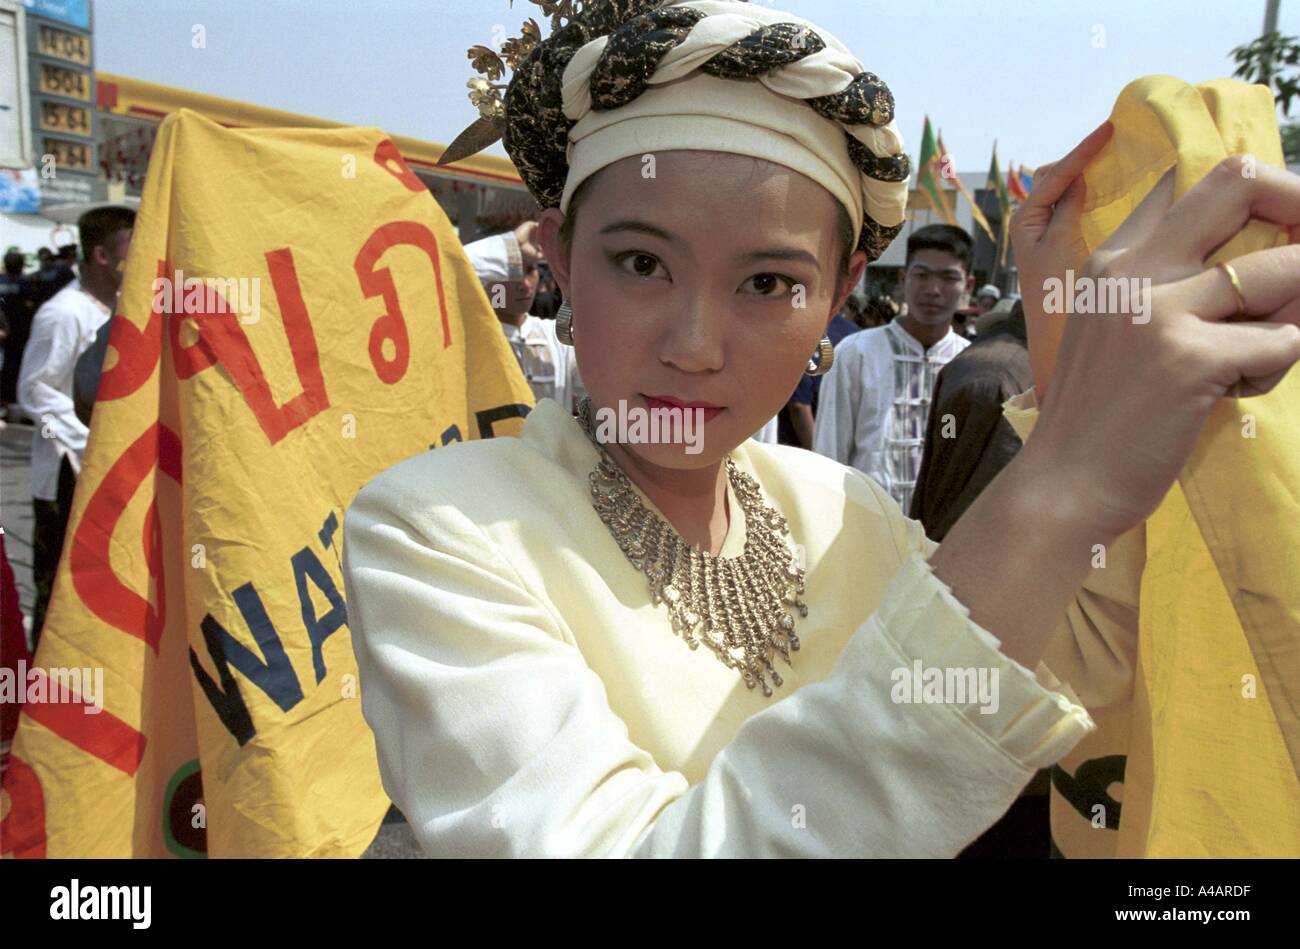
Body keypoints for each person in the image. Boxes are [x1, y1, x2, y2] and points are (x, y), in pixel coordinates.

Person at [342, 0, 1300, 858]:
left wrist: (1059, 350)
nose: (695, 345)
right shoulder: (440, 528)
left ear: (837, 298)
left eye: (768, 284)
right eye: (641, 262)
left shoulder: (844, 509)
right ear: (557, 255)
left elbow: (1079, 667)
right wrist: (1060, 480)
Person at [17, 206, 134, 649]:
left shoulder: (121, 306)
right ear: (102, 256)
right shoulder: (64, 313)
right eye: (130, 247)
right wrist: (94, 444)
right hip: (69, 472)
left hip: (109, 473)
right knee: (60, 588)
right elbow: (37, 389)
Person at [813, 224, 973, 512]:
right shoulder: (857, 353)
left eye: (949, 278)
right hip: (865, 527)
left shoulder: (970, 363)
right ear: (903, 279)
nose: (933, 290)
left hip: (944, 535)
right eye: (922, 275)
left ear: (968, 286)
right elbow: (829, 452)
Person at [463, 219, 582, 413]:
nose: (524, 284)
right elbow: (449, 272)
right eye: (511, 271)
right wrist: (511, 244)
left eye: (529, 270)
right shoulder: (467, 337)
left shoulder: (557, 337)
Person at [782, 295, 863, 448]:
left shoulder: (802, 331)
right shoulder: (855, 334)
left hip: (801, 448)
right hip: (845, 444)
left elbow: (799, 406)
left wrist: (818, 456)